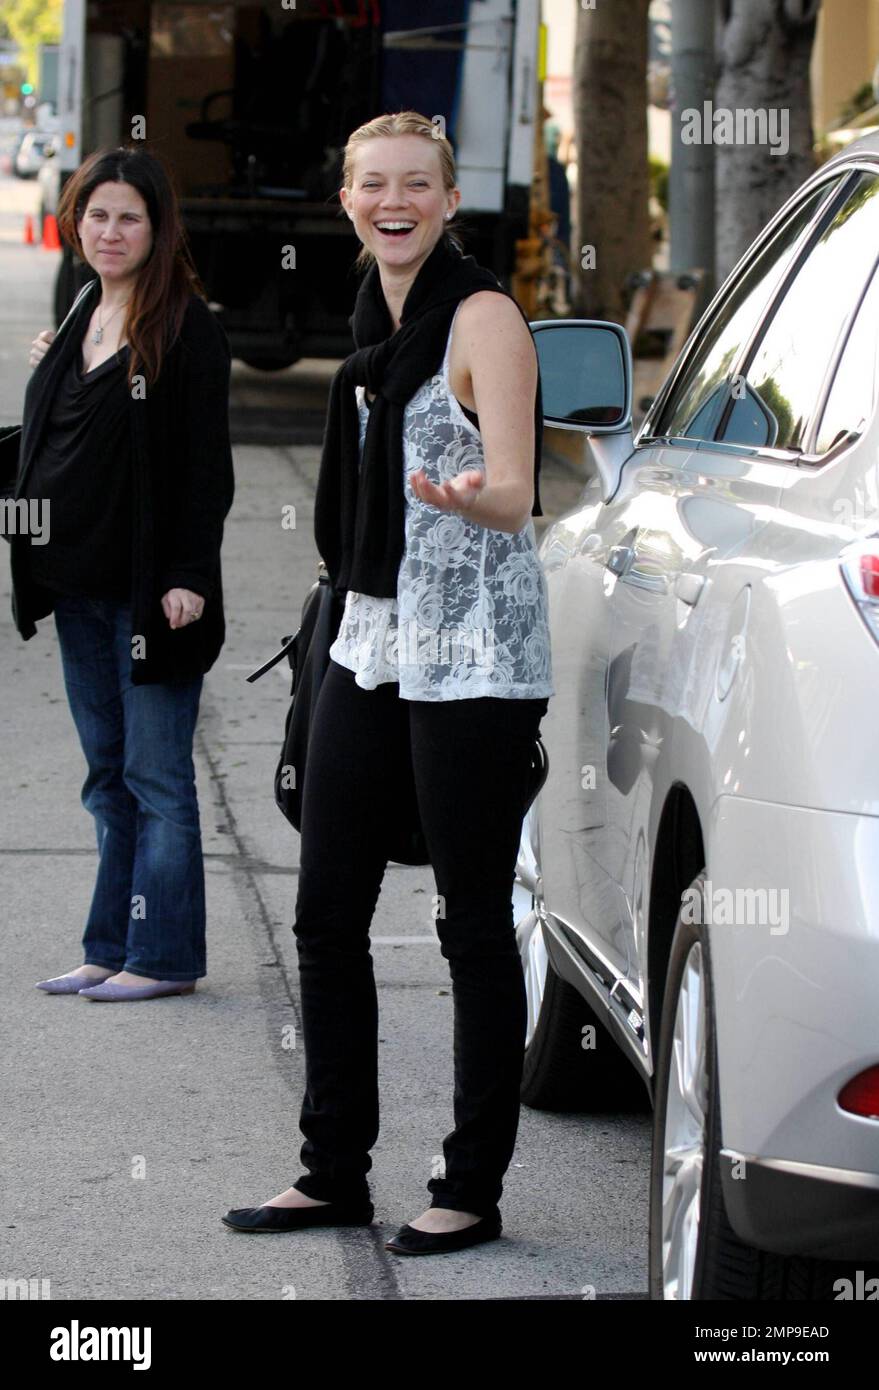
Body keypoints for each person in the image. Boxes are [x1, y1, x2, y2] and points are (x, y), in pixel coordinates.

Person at [222, 111, 554, 1255]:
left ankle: (470, 1186)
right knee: (324, 912)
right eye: (373, 184)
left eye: (417, 184)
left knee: (468, 922)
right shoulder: (374, 314)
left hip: (469, 655)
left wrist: (470, 498)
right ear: (349, 200)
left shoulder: (483, 319)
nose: (393, 200)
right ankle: (332, 1170)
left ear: (451, 200)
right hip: (368, 636)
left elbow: (518, 490)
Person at [13, 145, 234, 1002]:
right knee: (107, 777)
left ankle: (165, 957)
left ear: (157, 228)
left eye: (128, 218)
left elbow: (203, 468)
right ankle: (109, 945)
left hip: (153, 595)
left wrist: (189, 574)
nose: (110, 231)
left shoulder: (186, 326)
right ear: (76, 222)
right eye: (97, 215)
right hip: (78, 587)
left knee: (156, 778)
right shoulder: (79, 314)